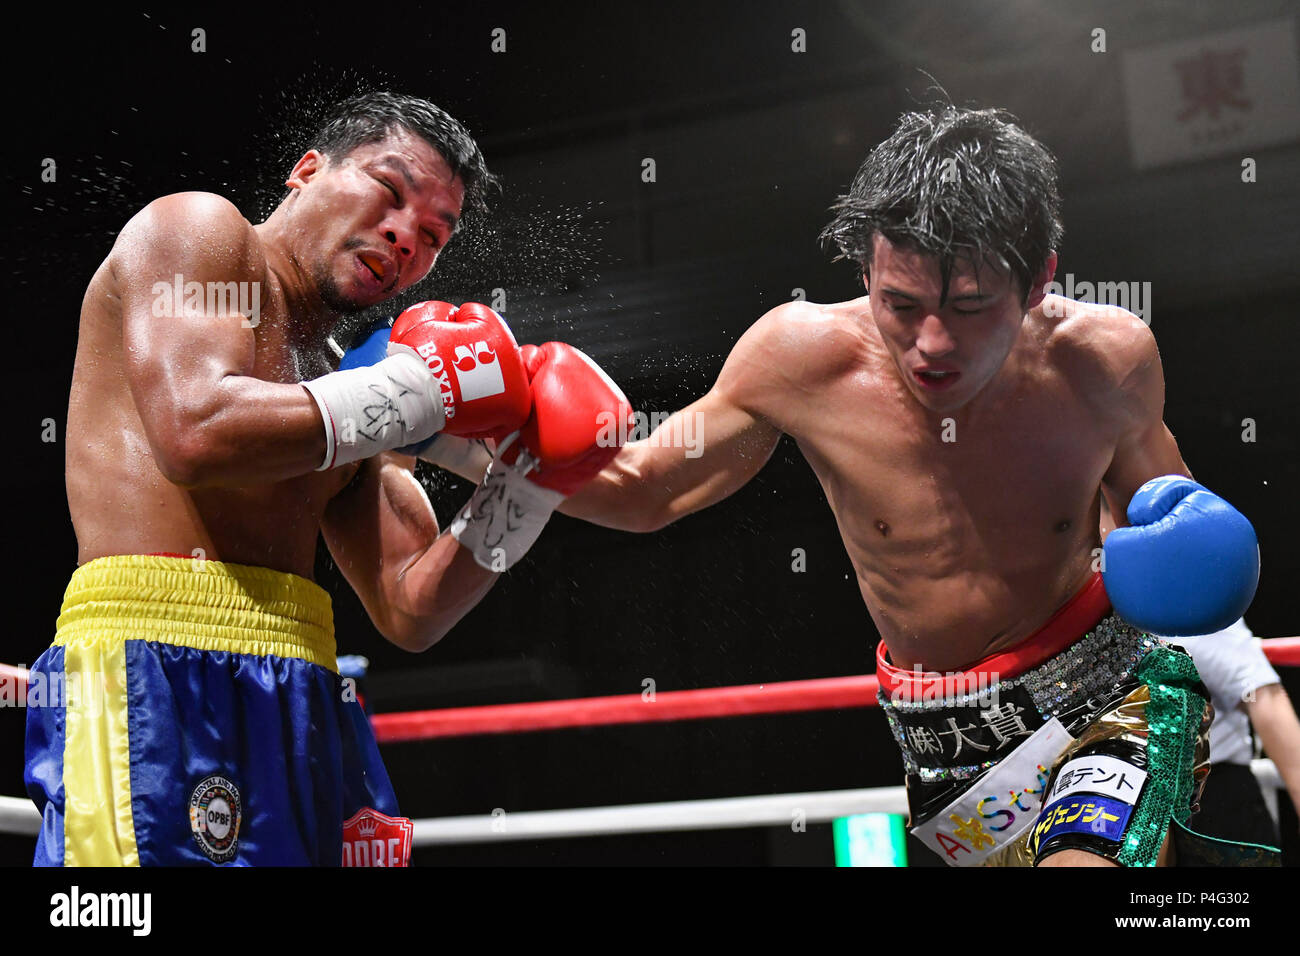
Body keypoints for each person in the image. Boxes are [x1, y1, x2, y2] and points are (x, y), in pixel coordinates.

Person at [466, 105, 1265, 866]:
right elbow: (648, 490)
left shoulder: (1105, 361)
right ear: (867, 270)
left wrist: (1200, 571)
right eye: (902, 304)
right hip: (943, 740)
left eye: (971, 306)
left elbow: (1171, 529)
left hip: (1103, 694)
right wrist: (459, 436)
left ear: (1039, 281)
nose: (931, 343)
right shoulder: (800, 358)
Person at [25, 91, 631, 867]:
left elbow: (413, 606)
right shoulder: (200, 232)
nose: (405, 234)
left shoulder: (348, 387)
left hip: (303, 691)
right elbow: (195, 430)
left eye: (435, 233)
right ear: (307, 171)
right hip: (154, 672)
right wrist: (411, 394)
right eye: (390, 189)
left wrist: (528, 485)